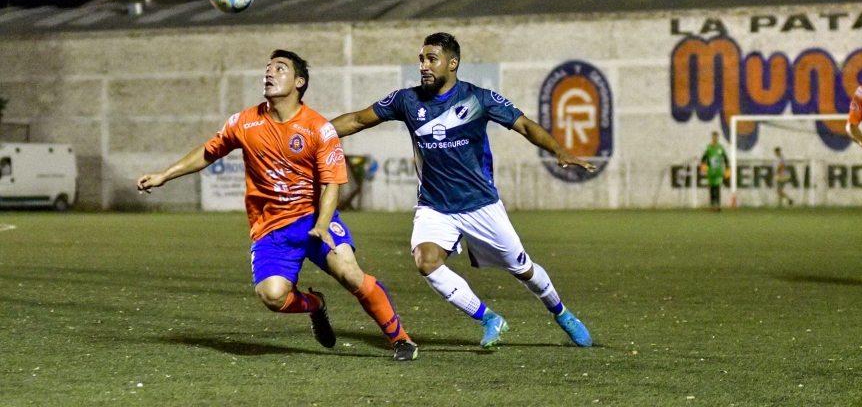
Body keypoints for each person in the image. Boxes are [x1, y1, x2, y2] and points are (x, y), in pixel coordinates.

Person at [136, 50, 418, 361]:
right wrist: (164, 175)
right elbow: (208, 152)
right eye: (267, 68)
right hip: (270, 229)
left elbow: (331, 183)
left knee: (351, 274)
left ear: (299, 82)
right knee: (272, 296)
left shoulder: (318, 128)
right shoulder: (244, 122)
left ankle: (401, 340)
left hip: (313, 221)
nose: (269, 73)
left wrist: (322, 225)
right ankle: (316, 305)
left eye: (279, 68)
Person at [330, 32, 595, 349]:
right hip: (435, 206)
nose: (424, 66)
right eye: (422, 59)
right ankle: (488, 318)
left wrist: (558, 150)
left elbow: (524, 125)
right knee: (425, 260)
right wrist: (314, 133)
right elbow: (359, 119)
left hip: (480, 204)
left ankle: (562, 314)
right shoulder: (407, 100)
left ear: (452, 63)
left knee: (523, 269)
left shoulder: (479, 99)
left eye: (432, 59)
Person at [700, 131, 729, 212]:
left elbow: (725, 159)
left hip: (718, 172)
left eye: (716, 137)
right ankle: (712, 204)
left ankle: (718, 205)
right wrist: (704, 168)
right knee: (712, 188)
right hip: (710, 172)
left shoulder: (720, 148)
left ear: (718, 138)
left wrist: (727, 169)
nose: (714, 138)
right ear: (711, 138)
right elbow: (703, 159)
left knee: (717, 188)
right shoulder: (708, 148)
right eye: (713, 137)